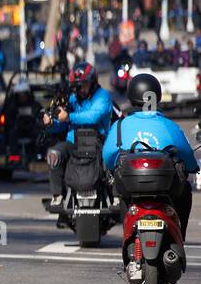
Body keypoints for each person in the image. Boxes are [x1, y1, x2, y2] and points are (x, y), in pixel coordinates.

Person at [103, 72, 199, 235]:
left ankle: (129, 233)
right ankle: (179, 233)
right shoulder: (170, 126)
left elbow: (107, 156)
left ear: (131, 97)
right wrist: (191, 166)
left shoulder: (119, 126)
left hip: (129, 189)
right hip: (166, 188)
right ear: (158, 97)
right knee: (186, 190)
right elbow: (187, 155)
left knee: (120, 191)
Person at [42, 61, 114, 210]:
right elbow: (63, 123)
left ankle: (116, 196)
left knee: (116, 155)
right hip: (73, 143)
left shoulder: (103, 96)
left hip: (98, 143)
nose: (80, 89)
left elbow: (92, 117)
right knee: (54, 153)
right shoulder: (73, 98)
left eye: (84, 84)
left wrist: (68, 117)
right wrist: (52, 122)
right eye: (77, 85)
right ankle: (58, 196)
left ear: (92, 82)